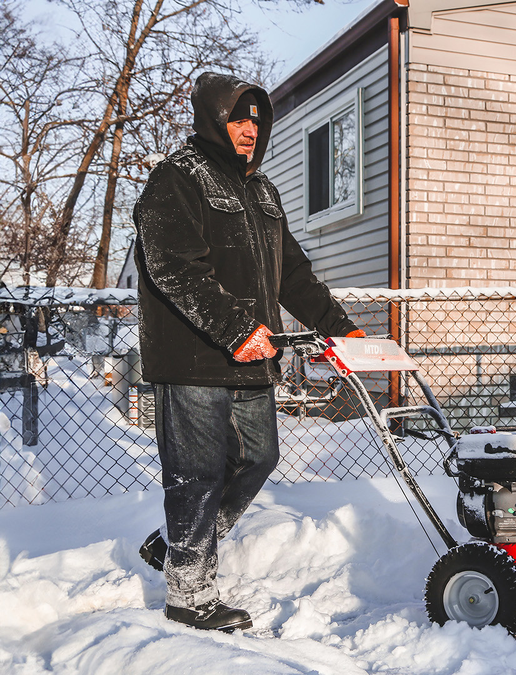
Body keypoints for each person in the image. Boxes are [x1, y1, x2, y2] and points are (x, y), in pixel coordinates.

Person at [133, 72, 364, 632]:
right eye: (239, 120)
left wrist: (342, 329)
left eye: (258, 123)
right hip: (194, 358)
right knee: (197, 472)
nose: (249, 132)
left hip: (254, 358)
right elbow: (173, 266)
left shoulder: (263, 191)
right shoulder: (177, 178)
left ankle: (180, 548)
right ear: (213, 118)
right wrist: (236, 327)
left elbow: (294, 276)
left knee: (259, 458)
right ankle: (189, 594)